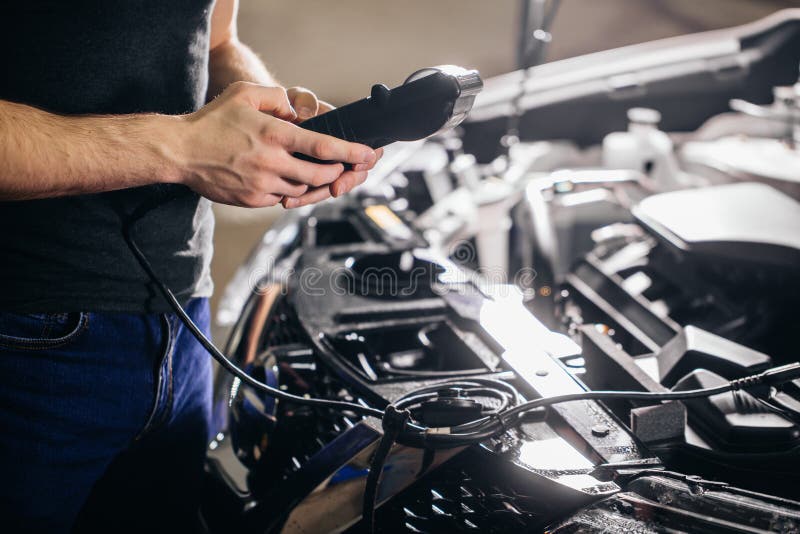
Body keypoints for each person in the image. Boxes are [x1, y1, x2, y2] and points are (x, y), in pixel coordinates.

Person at [0, 0, 381, 531]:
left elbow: (216, 39)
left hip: (181, 324)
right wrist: (182, 148)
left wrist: (276, 126)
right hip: (24, 334)